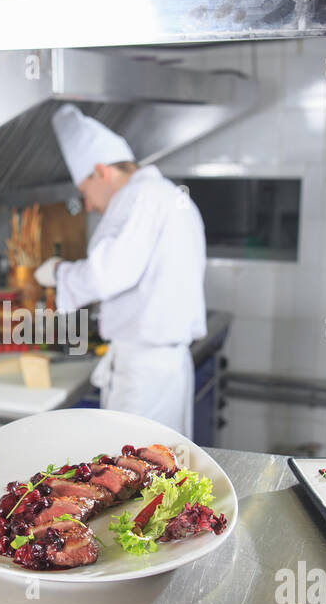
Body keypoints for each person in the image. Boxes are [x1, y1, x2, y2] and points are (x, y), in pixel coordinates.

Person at [35, 104, 207, 435]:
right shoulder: (167, 195)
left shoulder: (138, 197)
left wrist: (59, 273)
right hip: (165, 367)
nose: (88, 205)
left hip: (144, 373)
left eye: (84, 192)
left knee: (134, 473)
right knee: (162, 472)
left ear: (101, 171)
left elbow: (106, 274)